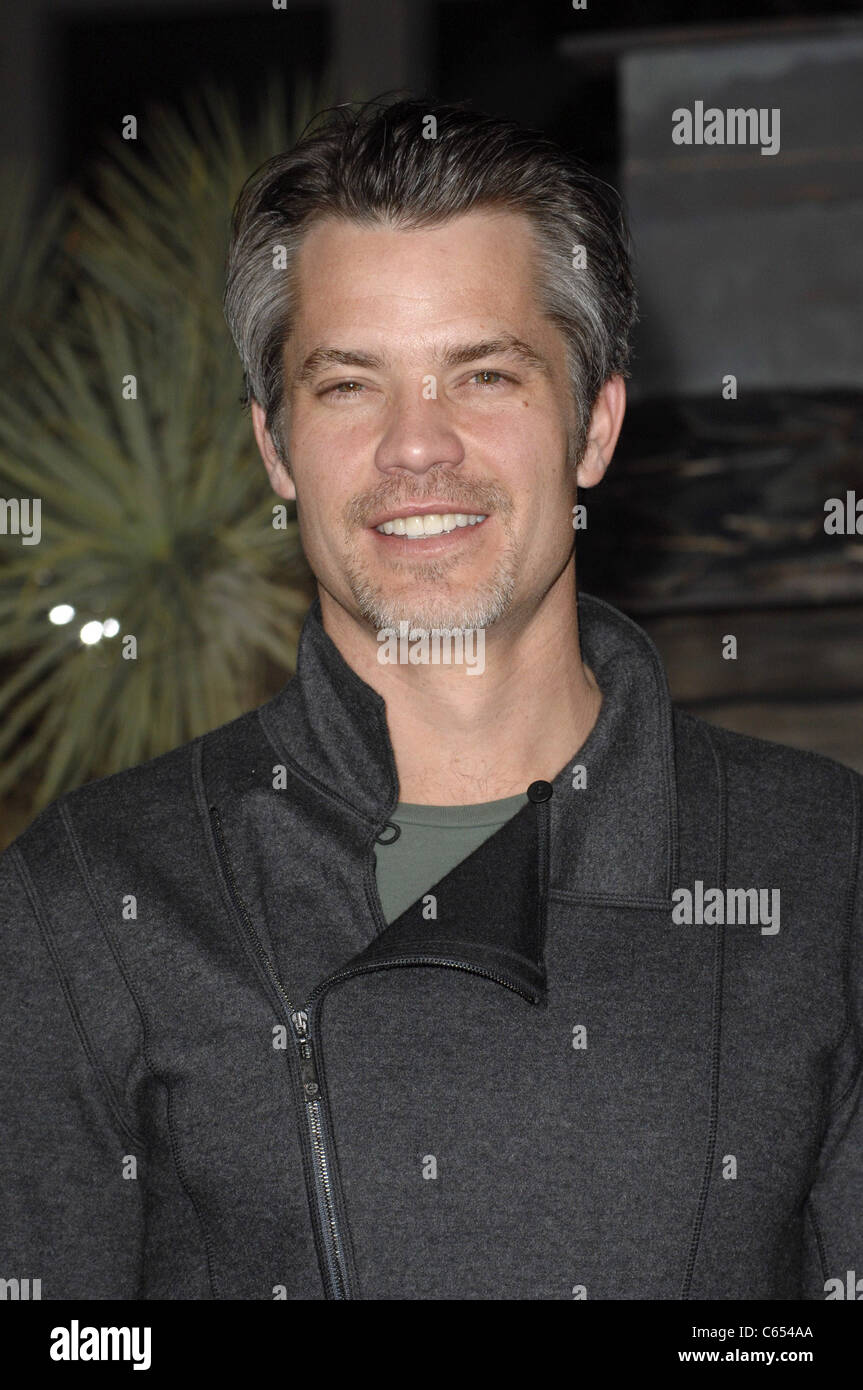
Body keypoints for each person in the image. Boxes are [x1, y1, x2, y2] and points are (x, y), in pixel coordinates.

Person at [1, 96, 860, 1301]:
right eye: (350, 385)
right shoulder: (92, 897)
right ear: (277, 450)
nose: (419, 447)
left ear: (593, 425)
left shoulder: (820, 868)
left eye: (485, 375)